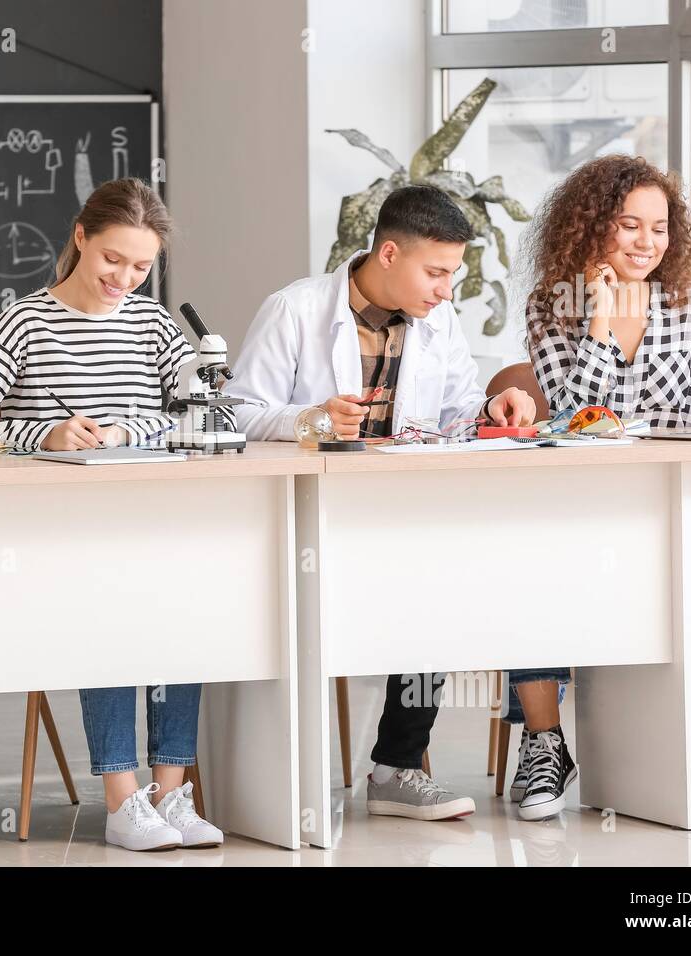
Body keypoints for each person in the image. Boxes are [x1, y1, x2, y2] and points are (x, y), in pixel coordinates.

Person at [228, 183, 536, 821]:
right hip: (307, 519)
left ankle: (397, 768)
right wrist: (310, 421)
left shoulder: (438, 320)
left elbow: (453, 411)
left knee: (436, 603)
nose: (446, 289)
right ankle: (283, 781)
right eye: (437, 272)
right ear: (389, 254)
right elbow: (237, 414)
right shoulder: (295, 309)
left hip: (398, 512)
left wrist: (489, 411)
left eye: (452, 274)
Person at [0, 178, 224, 850]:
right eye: (112, 260)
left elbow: (209, 414)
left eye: (141, 267)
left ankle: (172, 793)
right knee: (111, 609)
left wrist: (126, 430)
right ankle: (122, 799)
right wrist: (46, 435)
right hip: (61, 538)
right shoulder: (25, 321)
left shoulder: (154, 324)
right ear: (80, 237)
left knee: (190, 611)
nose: (123, 278)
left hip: (150, 524)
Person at [514, 154, 691, 819]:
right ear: (590, 229)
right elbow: (577, 414)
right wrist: (600, 322)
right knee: (530, 570)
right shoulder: (552, 310)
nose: (648, 243)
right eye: (629, 226)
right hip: (582, 499)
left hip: (675, 497)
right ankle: (545, 743)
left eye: (660, 228)